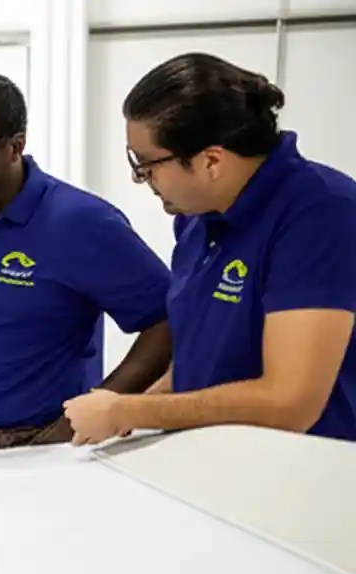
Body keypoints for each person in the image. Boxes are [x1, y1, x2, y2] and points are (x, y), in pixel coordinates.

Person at [63, 53, 356, 445]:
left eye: (148, 165)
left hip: (303, 480)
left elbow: (290, 402)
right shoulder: (198, 220)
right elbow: (197, 366)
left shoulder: (320, 214)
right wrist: (125, 424)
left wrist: (128, 410)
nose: (142, 179)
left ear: (211, 161)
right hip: (211, 464)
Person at [0, 72, 173, 461]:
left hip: (34, 448)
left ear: (14, 147)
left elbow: (168, 319)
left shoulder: (81, 222)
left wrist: (107, 403)